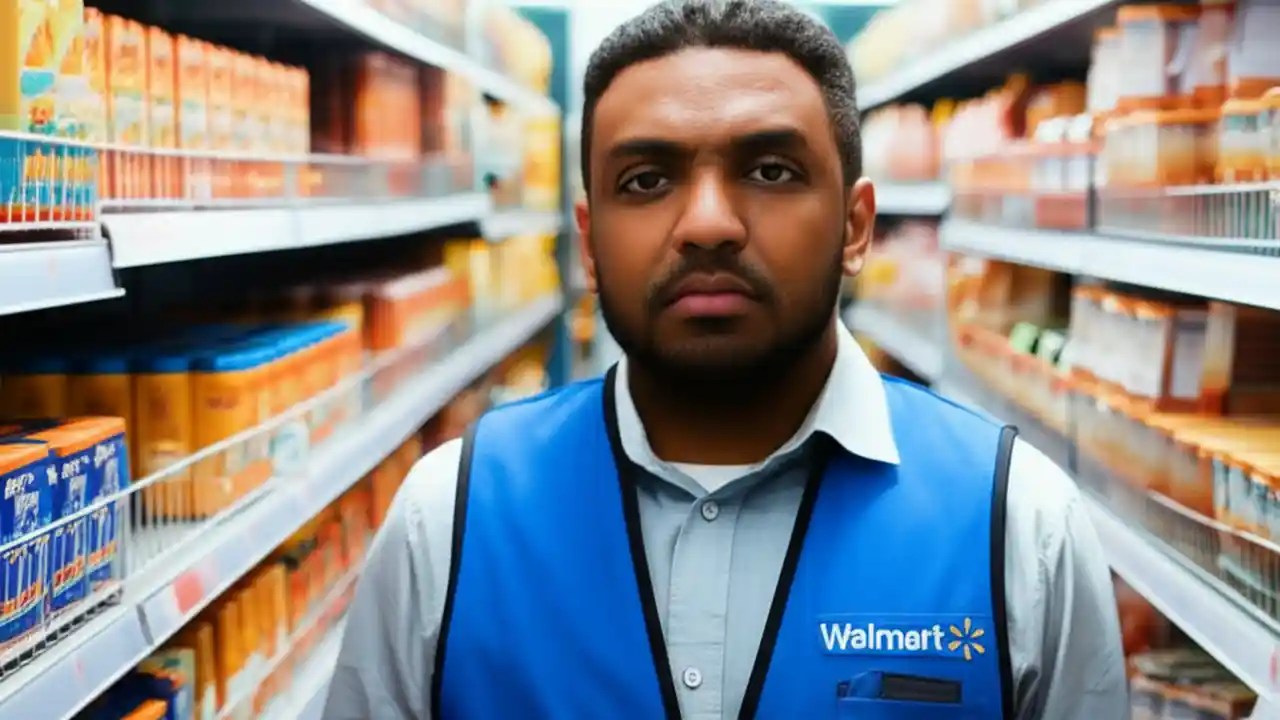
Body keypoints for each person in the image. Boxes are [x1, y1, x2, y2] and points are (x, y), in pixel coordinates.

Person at [321, 1, 1128, 718]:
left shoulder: (1023, 530)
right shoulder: (448, 521)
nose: (708, 223)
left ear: (855, 227)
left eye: (771, 170)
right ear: (590, 238)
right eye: (645, 180)